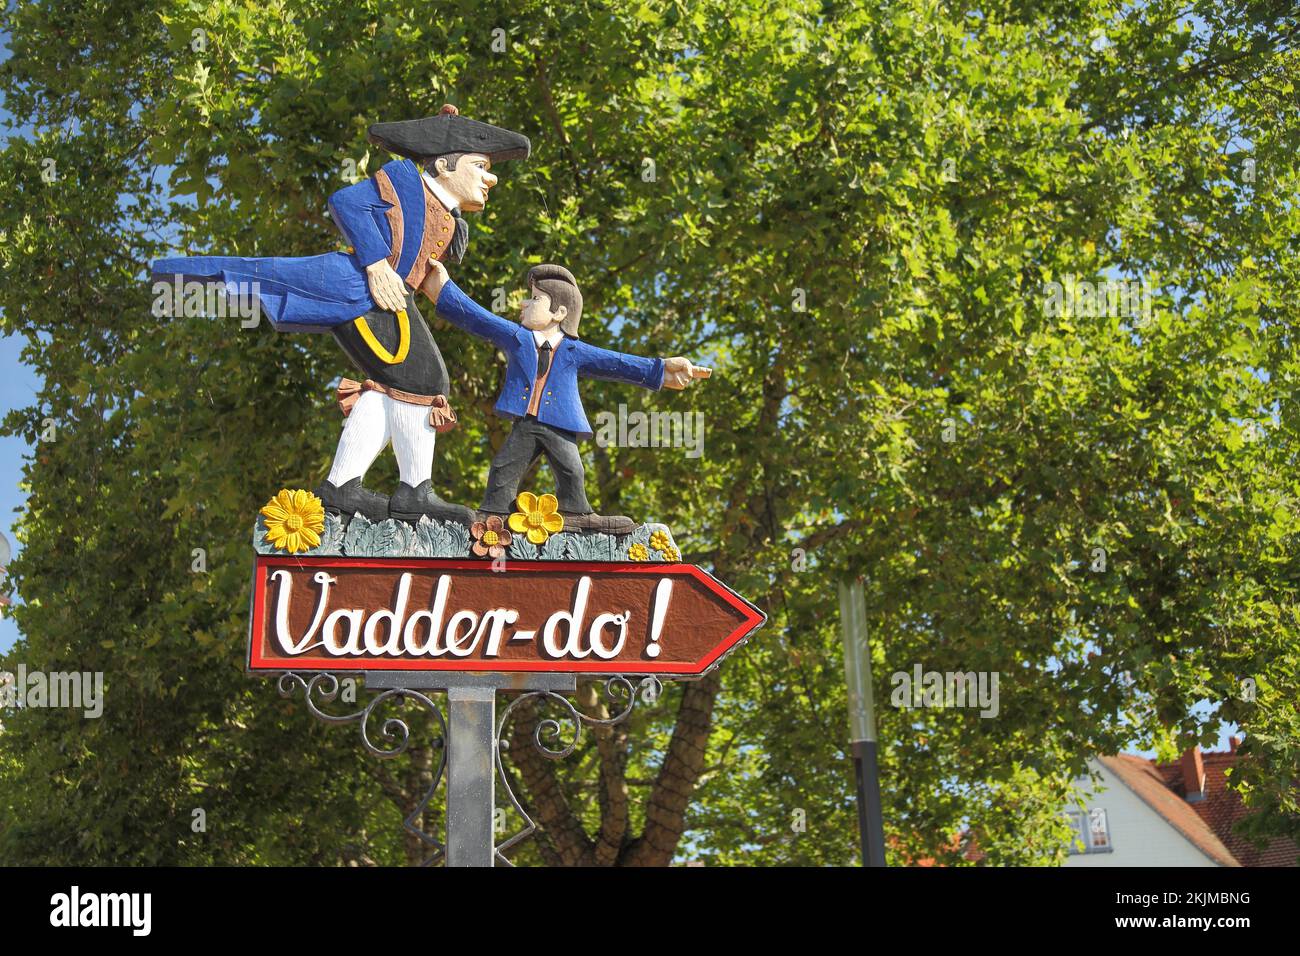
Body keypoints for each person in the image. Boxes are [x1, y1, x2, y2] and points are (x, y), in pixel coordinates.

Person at [152, 105, 530, 523]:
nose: (490, 177)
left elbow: (436, 287)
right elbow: (346, 202)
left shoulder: (448, 221)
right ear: (443, 164)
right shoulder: (404, 180)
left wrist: (499, 329)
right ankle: (413, 493)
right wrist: (375, 262)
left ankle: (342, 486)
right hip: (358, 291)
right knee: (424, 376)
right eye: (480, 165)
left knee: (393, 384)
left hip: (387, 298)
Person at [422, 260, 711, 533]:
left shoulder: (575, 350)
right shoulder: (516, 338)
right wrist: (442, 288)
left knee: (571, 470)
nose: (524, 303)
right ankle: (494, 513)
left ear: (559, 312)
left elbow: (619, 363)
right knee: (503, 467)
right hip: (526, 420)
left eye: (535, 299)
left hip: (559, 421)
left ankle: (576, 513)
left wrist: (662, 369)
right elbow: (479, 318)